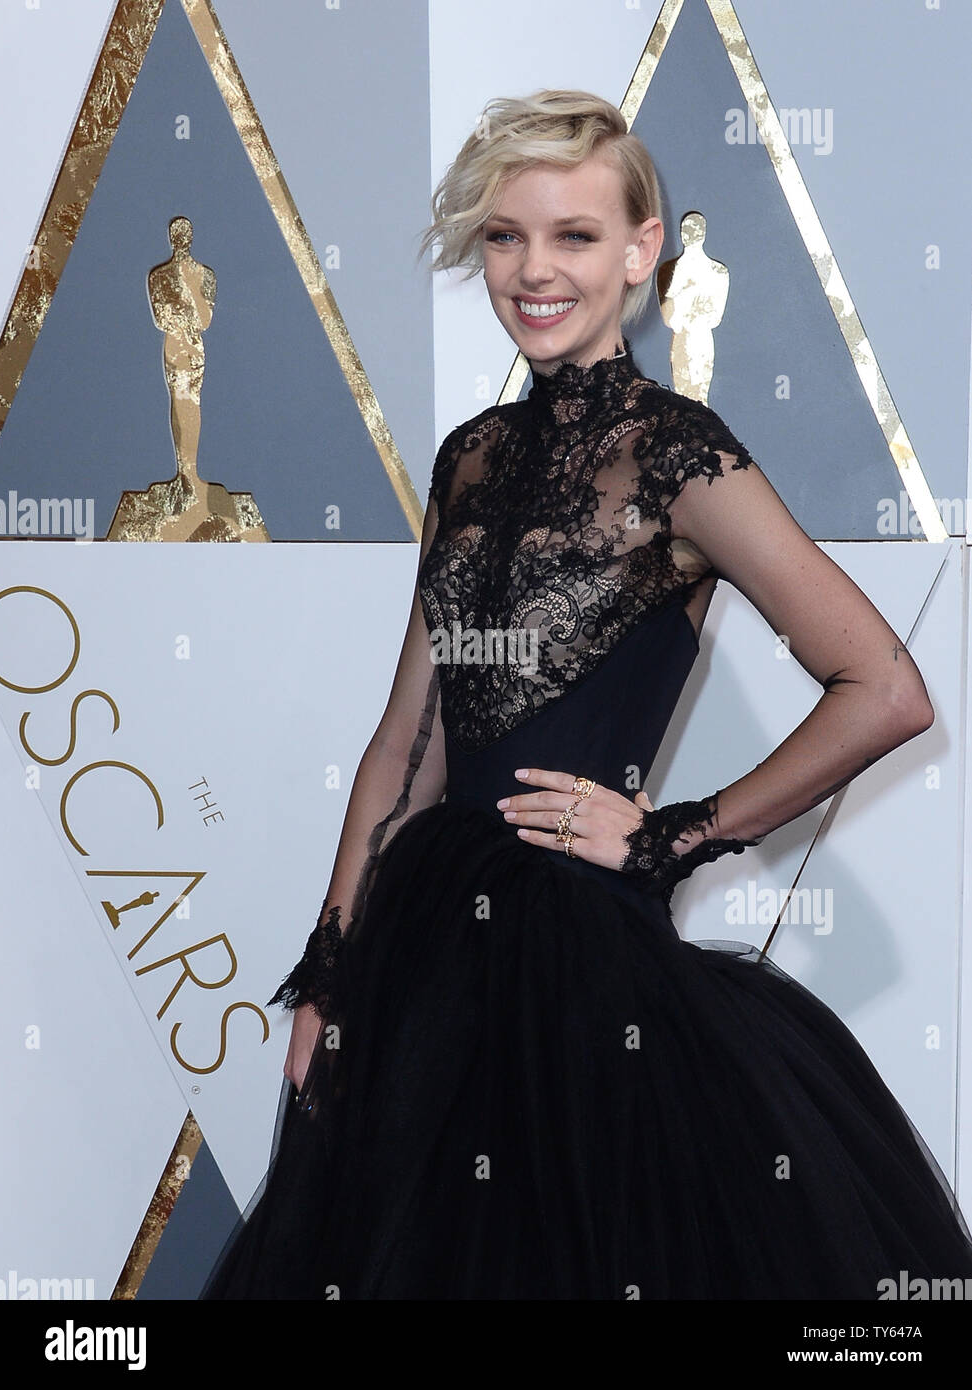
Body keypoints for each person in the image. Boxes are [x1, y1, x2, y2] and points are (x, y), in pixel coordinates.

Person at [200, 89, 972, 1300]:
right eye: (505, 235)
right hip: (418, 969)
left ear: (639, 249)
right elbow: (406, 746)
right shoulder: (469, 454)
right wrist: (332, 977)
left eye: (570, 235)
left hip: (579, 975)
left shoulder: (677, 453)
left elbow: (882, 688)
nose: (533, 269)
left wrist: (673, 831)